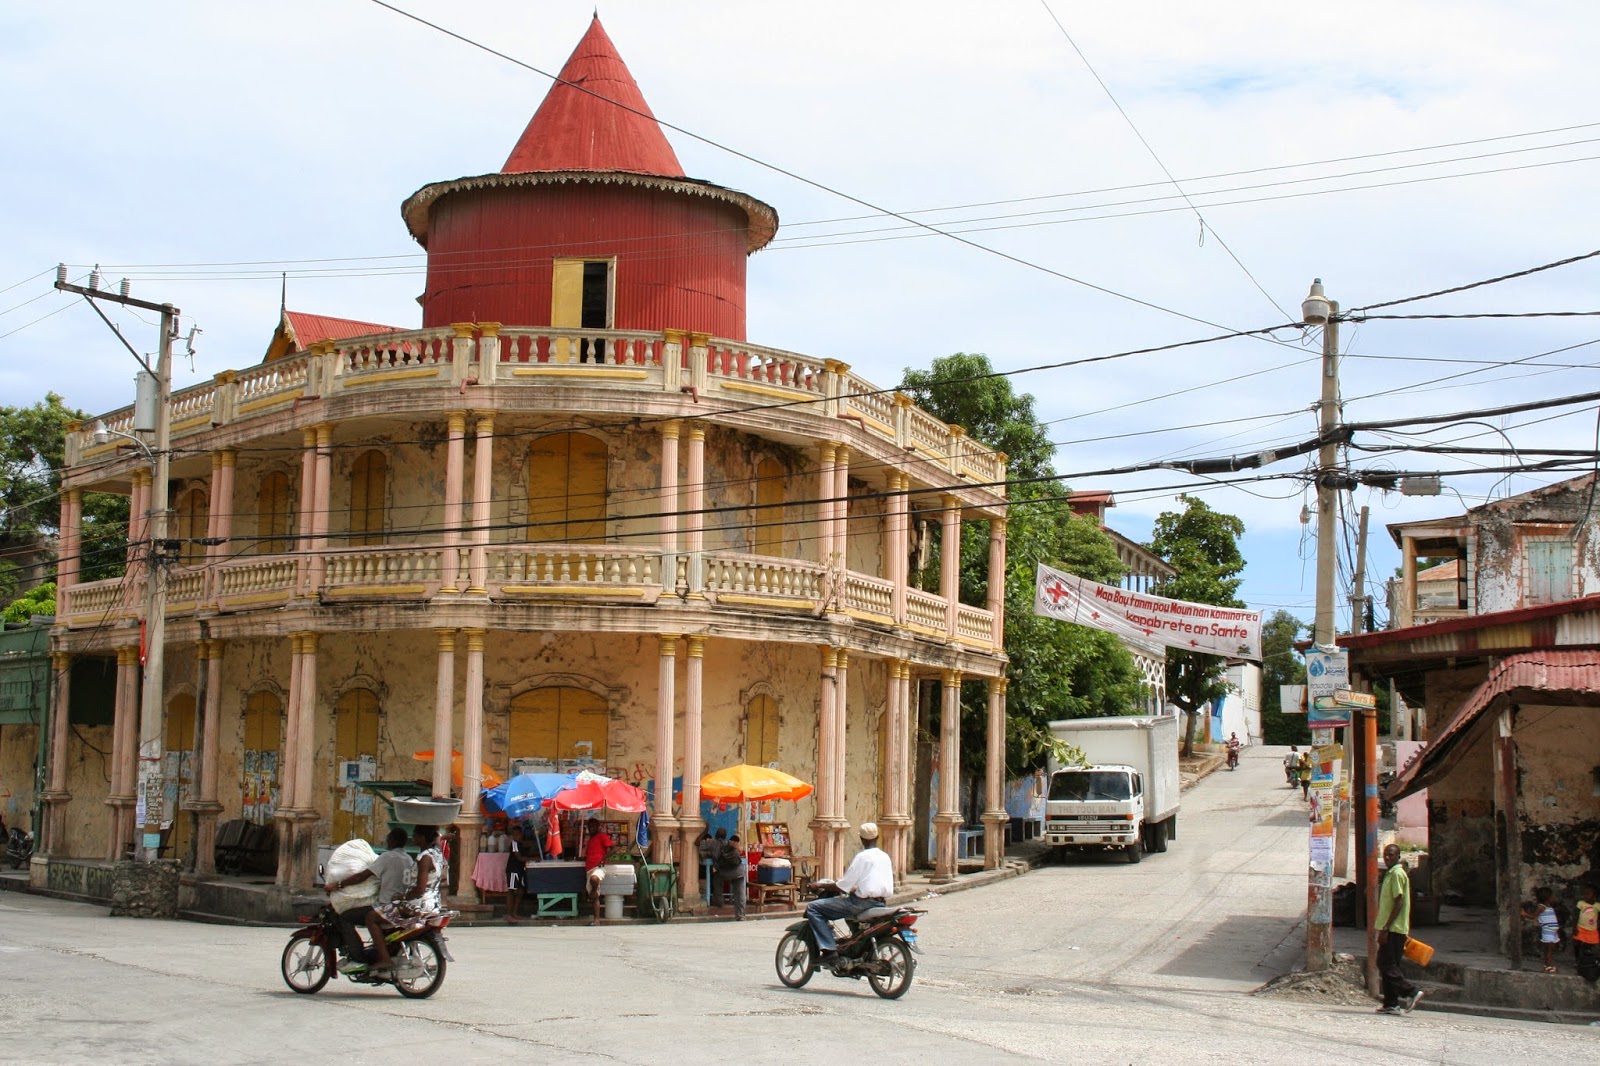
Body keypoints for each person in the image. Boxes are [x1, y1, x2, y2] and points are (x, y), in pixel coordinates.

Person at [325, 828, 415, 972]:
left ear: (392, 840)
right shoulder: (408, 859)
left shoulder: (388, 857)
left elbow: (362, 876)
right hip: (401, 906)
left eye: (388, 838)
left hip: (387, 907)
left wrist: (338, 884)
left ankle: (359, 958)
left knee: (345, 918)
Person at [806, 821, 894, 966]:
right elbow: (874, 880)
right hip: (880, 901)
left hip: (861, 903)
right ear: (877, 837)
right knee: (849, 914)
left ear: (862, 839)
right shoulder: (884, 856)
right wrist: (857, 888)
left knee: (814, 907)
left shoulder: (862, 857)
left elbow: (843, 885)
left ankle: (829, 950)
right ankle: (853, 946)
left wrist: (820, 884)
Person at [369, 825, 447, 974]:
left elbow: (420, 889)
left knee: (371, 917)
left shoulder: (424, 857)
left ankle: (385, 958)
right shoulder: (437, 854)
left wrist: (402, 897)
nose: (414, 838)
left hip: (417, 906)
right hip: (433, 903)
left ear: (423, 838)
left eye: (416, 835)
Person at [1375, 843, 1422, 1015]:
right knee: (1390, 965)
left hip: (1394, 928)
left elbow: (1399, 901)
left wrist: (1386, 927)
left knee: (1385, 963)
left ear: (1398, 856)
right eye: (1386, 855)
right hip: (1393, 927)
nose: (1387, 858)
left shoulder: (1396, 873)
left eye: (1391, 855)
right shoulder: (1391, 873)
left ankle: (1411, 991)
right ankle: (1391, 1003)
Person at [1523, 887, 1561, 973]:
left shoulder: (1549, 907)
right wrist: (1524, 914)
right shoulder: (1541, 907)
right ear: (1548, 898)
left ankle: (1548, 964)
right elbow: (1533, 916)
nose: (1553, 898)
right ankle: (1548, 966)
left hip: (1553, 931)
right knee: (1549, 949)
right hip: (1548, 931)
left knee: (1552, 948)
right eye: (1552, 896)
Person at [583, 817, 614, 923]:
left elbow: (614, 848)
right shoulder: (590, 840)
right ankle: (596, 920)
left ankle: (593, 891)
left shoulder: (602, 836)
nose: (591, 828)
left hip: (599, 867)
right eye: (589, 826)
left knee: (594, 879)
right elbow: (589, 855)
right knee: (596, 898)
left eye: (593, 826)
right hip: (589, 868)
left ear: (597, 827)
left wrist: (603, 859)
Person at [713, 832, 747, 920]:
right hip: (738, 872)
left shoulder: (718, 845)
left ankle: (719, 901)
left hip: (725, 872)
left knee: (716, 879)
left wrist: (717, 868)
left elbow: (715, 858)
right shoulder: (737, 848)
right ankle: (740, 915)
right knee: (740, 893)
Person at [504, 825, 532, 924]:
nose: (519, 836)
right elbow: (519, 857)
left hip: (520, 870)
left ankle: (515, 913)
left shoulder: (521, 844)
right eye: (517, 834)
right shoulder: (514, 844)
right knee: (511, 891)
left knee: (520, 891)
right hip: (513, 870)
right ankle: (509, 914)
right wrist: (532, 859)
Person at [1573, 883, 1599, 982]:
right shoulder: (1581, 903)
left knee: (1590, 947)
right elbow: (1576, 915)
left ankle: (1588, 962)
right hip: (1581, 928)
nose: (1585, 896)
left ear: (1594, 895)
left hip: (1592, 930)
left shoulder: (1597, 906)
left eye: (1588, 894)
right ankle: (1578, 961)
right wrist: (1574, 927)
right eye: (1584, 894)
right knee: (1578, 945)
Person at [696, 827, 727, 903]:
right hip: (726, 869)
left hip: (717, 869)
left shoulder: (711, 842)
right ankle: (718, 899)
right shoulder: (726, 844)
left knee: (715, 880)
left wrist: (704, 831)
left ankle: (717, 900)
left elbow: (697, 844)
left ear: (716, 835)